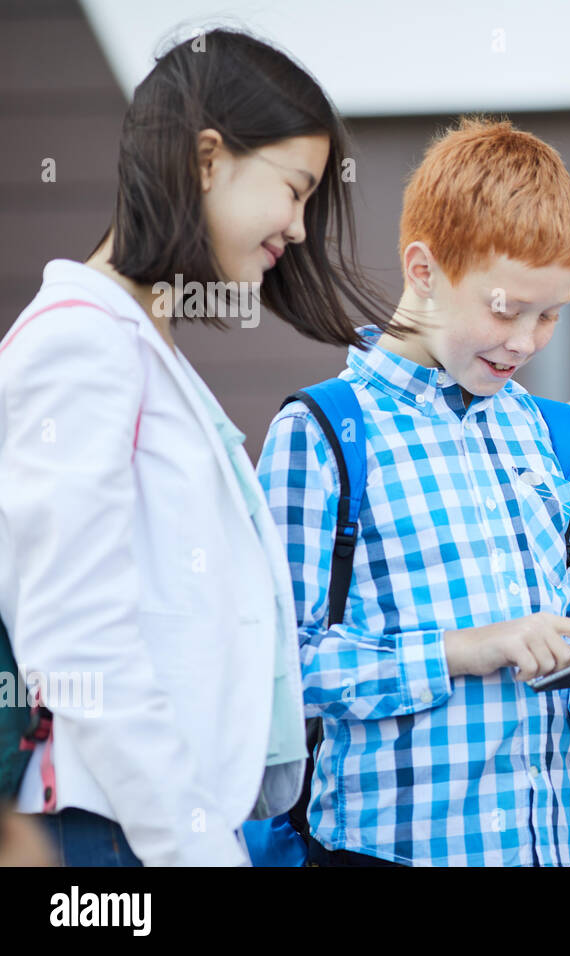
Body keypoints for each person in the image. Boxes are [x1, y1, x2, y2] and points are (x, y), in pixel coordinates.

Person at [0, 28, 391, 865]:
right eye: (294, 189)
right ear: (207, 159)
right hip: (112, 832)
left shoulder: (140, 346)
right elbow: (78, 641)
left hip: (147, 826)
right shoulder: (82, 344)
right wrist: (194, 847)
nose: (295, 226)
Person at [258, 117, 570, 867]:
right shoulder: (324, 433)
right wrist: (462, 651)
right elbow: (281, 675)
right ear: (423, 270)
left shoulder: (557, 438)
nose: (525, 340)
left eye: (550, 314)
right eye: (504, 307)